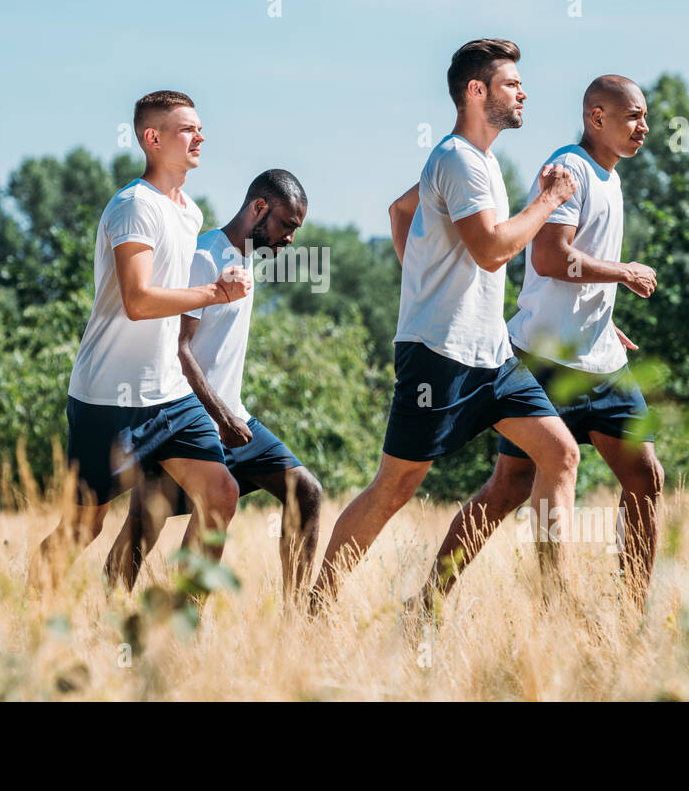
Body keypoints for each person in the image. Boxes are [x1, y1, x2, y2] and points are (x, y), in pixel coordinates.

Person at [310, 39, 582, 610]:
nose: (523, 92)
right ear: (477, 91)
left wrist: (423, 272)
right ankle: (317, 604)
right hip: (438, 355)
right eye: (511, 84)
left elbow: (400, 211)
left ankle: (554, 605)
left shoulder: (475, 162)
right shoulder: (458, 158)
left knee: (560, 454)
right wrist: (549, 199)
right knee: (396, 487)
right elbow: (491, 251)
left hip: (493, 356)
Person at [417, 75, 665, 610]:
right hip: (543, 361)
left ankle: (632, 610)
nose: (644, 127)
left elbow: (573, 271)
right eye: (634, 116)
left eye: (644, 117)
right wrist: (621, 273)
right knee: (508, 487)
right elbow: (551, 258)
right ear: (597, 117)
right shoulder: (568, 168)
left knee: (646, 476)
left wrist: (601, 315)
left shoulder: (610, 176)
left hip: (603, 360)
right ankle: (436, 600)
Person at [32, 91, 252, 585]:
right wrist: (215, 293)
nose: (200, 136)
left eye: (200, 127)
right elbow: (138, 300)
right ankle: (32, 618)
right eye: (187, 129)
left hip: (170, 394)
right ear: (152, 139)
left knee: (220, 494)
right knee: (84, 525)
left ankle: (178, 625)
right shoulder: (133, 206)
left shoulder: (190, 212)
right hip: (107, 396)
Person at [104, 170, 323, 599]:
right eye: (287, 225)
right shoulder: (203, 257)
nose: (290, 239)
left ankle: (297, 624)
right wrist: (218, 416)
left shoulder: (244, 264)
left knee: (307, 493)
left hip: (233, 417)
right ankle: (125, 622)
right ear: (259, 208)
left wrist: (229, 414)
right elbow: (178, 347)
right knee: (141, 532)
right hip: (185, 420)